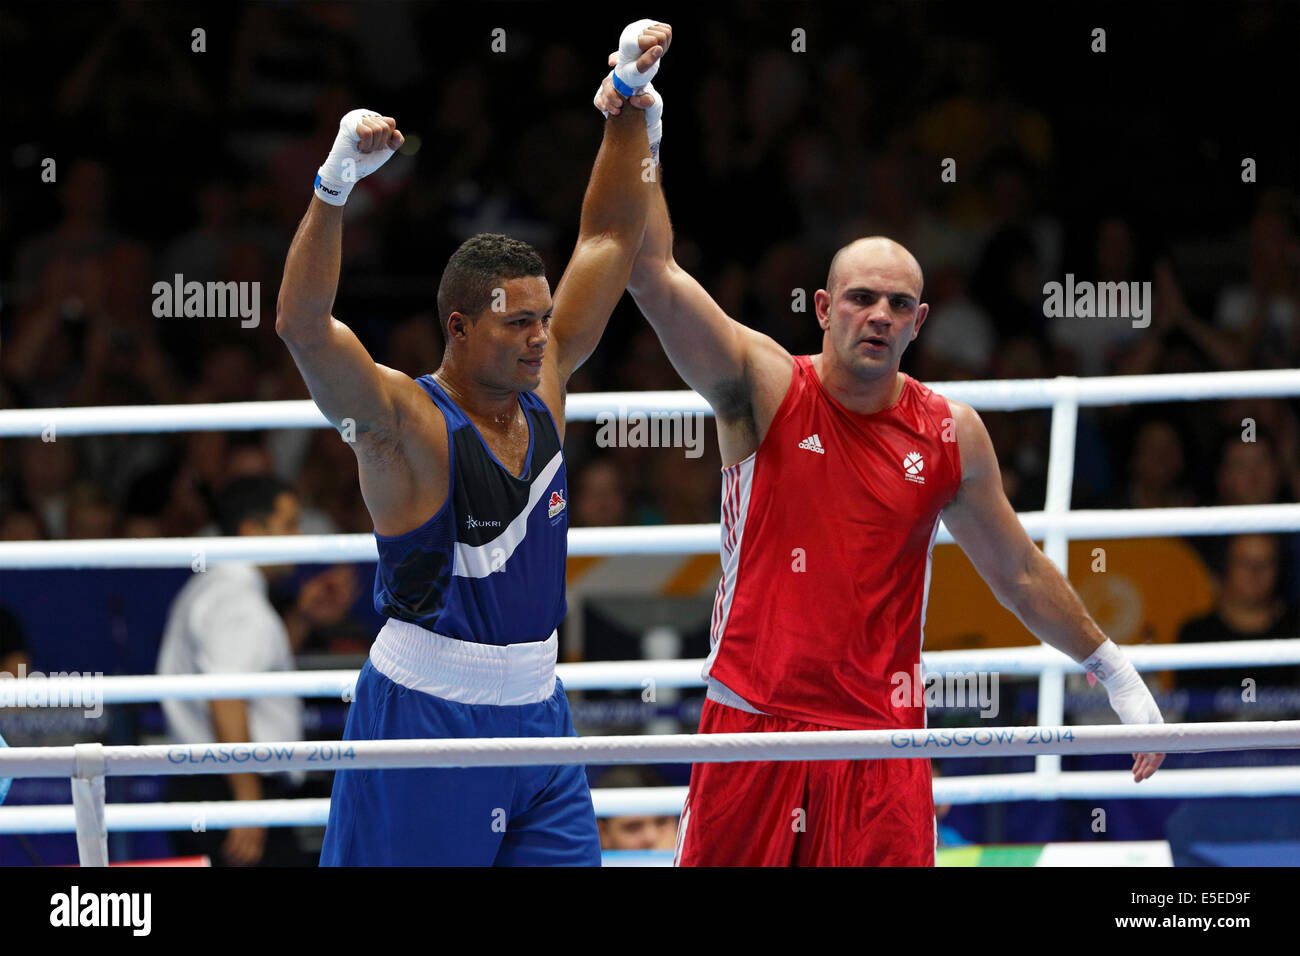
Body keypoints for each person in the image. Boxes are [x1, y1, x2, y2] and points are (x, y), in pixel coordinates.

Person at [595, 75, 1166, 868]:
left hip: (881, 739)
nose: (880, 316)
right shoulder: (762, 388)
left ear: (920, 322)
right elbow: (650, 272)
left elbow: (1022, 573)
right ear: (825, 308)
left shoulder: (949, 434)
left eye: (899, 304)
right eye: (862, 298)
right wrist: (644, 133)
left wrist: (1117, 673)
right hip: (754, 723)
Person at [276, 21, 672, 866]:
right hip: (426, 713)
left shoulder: (546, 384)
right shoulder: (403, 423)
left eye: (541, 318)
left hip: (539, 710)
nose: (540, 338)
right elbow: (304, 328)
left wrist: (628, 107)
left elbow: (606, 239)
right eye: (517, 323)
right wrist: (335, 183)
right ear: (458, 327)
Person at [156, 475, 307, 866]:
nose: (301, 536)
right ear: (251, 531)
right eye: (289, 524)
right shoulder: (236, 601)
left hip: (217, 784)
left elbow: (246, 675)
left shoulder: (213, 588)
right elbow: (226, 697)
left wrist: (303, 618)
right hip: (232, 789)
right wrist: (247, 803)